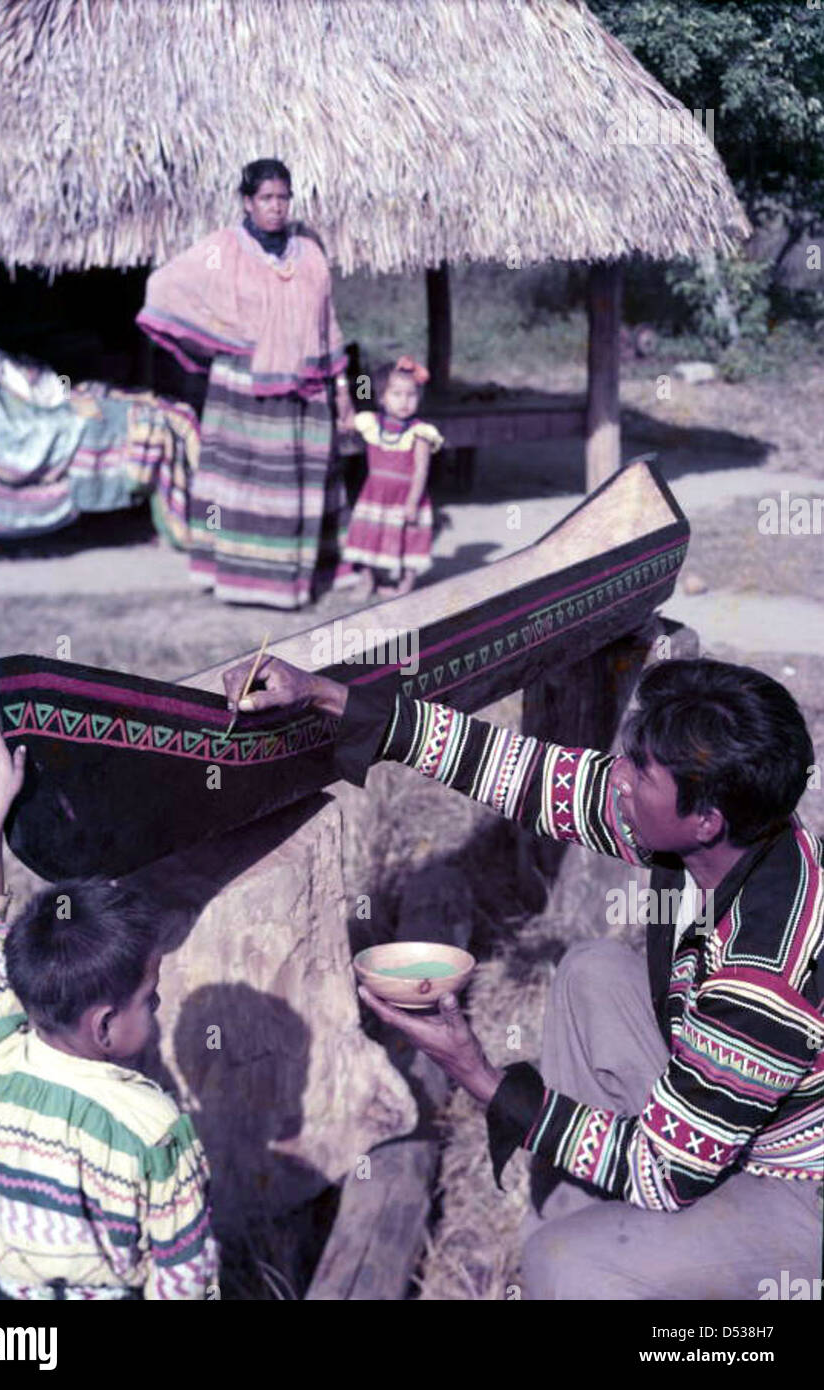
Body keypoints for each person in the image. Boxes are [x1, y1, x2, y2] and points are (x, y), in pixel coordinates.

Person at [220, 652, 824, 1300]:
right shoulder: (729, 835)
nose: (616, 777)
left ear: (705, 819)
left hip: (792, 1189)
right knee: (593, 974)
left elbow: (663, 1171)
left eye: (639, 770)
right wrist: (326, 696)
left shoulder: (763, 980)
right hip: (725, 1123)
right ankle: (577, 1234)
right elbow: (532, 777)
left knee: (567, 1265)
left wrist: (478, 1075)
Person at [0, 715, 218, 1300]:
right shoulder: (154, 1130)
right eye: (149, 998)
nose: (157, 1006)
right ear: (104, 1025)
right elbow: (186, 1278)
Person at [136, 157, 356, 609]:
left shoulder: (309, 252)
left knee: (298, 484)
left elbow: (326, 320)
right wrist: (226, 333)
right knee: (241, 486)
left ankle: (297, 580)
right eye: (266, 198)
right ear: (247, 201)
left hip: (304, 391)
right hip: (242, 390)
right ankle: (236, 580)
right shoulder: (224, 249)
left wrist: (342, 388)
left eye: (282, 198)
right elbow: (165, 287)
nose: (276, 207)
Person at [343, 356, 443, 597]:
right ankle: (367, 579)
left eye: (411, 395)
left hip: (406, 496)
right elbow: (346, 421)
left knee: (410, 539)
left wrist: (412, 502)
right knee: (368, 535)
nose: (404, 401)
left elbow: (421, 470)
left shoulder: (420, 432)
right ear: (381, 397)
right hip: (375, 495)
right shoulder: (371, 423)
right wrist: (343, 386)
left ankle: (405, 584)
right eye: (396, 394)